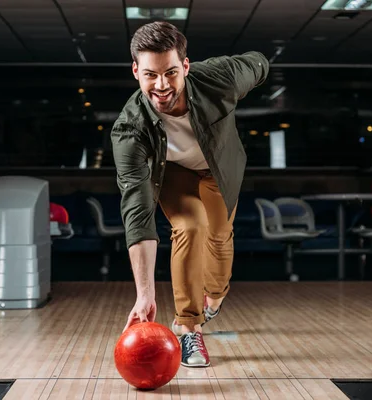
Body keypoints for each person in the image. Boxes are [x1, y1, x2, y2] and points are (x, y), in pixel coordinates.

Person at [111, 21, 269, 367]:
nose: (162, 85)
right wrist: (144, 295)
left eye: (170, 72)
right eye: (151, 75)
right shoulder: (129, 128)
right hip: (173, 173)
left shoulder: (220, 77)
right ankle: (188, 326)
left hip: (218, 170)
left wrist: (258, 70)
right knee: (190, 226)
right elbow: (137, 212)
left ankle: (214, 297)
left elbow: (259, 62)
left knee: (219, 236)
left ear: (185, 66)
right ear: (136, 71)